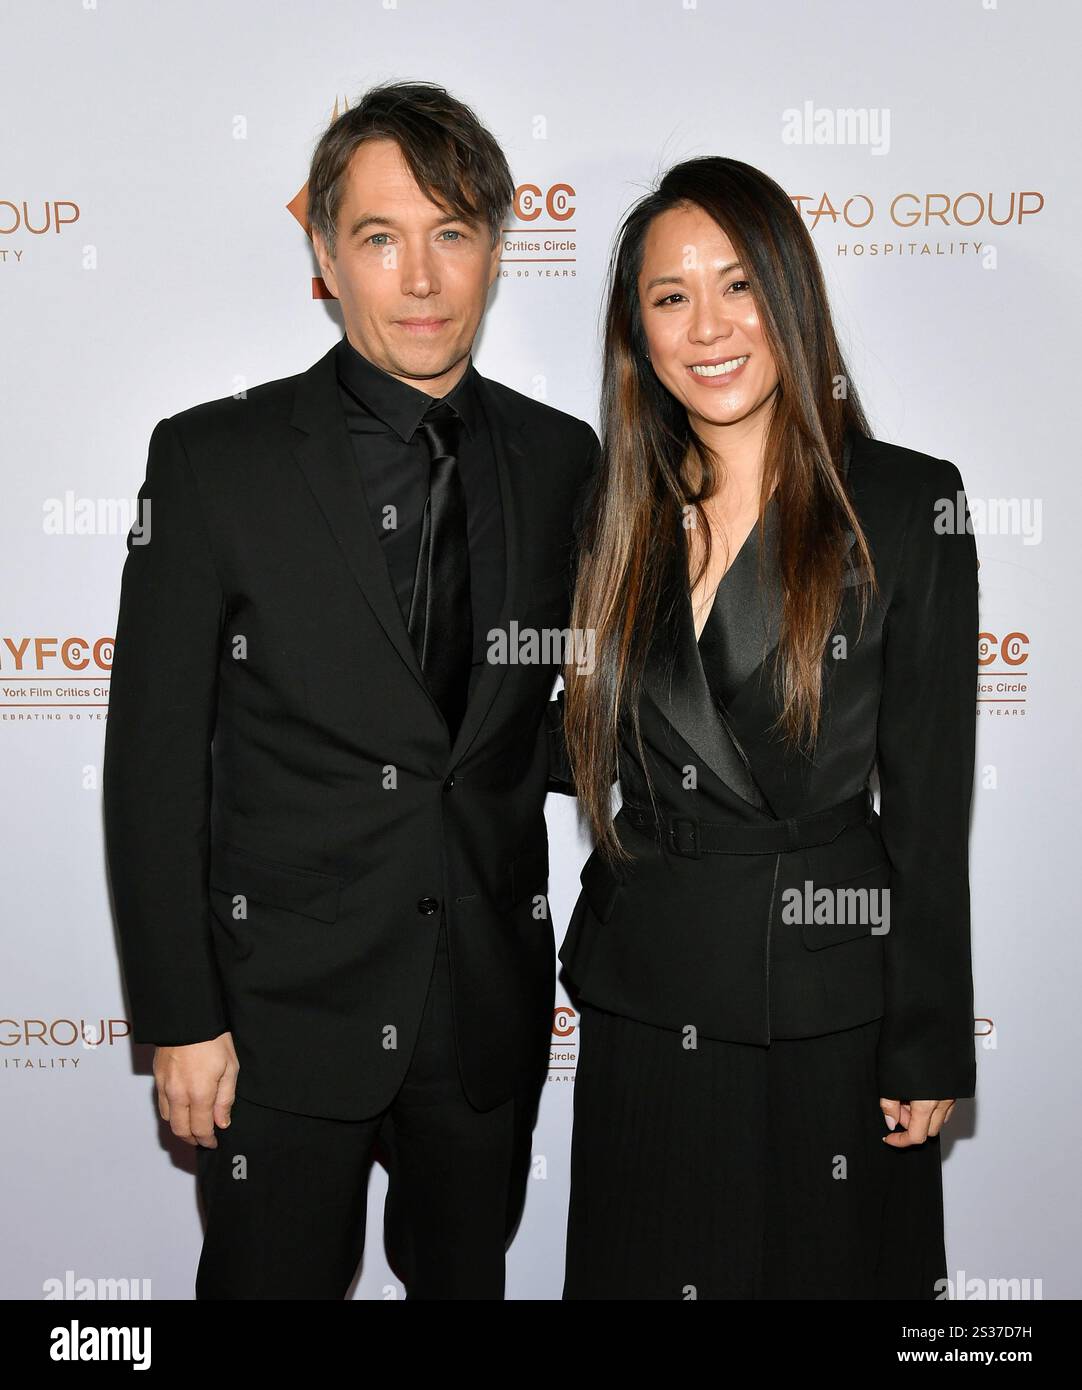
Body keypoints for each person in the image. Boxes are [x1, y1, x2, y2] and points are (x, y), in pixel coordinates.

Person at [103, 80, 599, 1300]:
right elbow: (154, 762)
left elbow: (554, 725)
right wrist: (180, 1015)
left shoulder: (561, 459)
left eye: (451, 234)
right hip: (275, 1016)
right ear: (324, 255)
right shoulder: (213, 460)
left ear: (495, 246)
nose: (420, 280)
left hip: (482, 1007)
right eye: (380, 239)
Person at [552, 156, 979, 1299]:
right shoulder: (611, 512)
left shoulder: (900, 503)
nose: (708, 326)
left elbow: (930, 804)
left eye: (737, 285)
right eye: (668, 296)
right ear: (636, 334)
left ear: (790, 295)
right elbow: (584, 732)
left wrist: (927, 1036)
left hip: (825, 1010)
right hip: (648, 997)